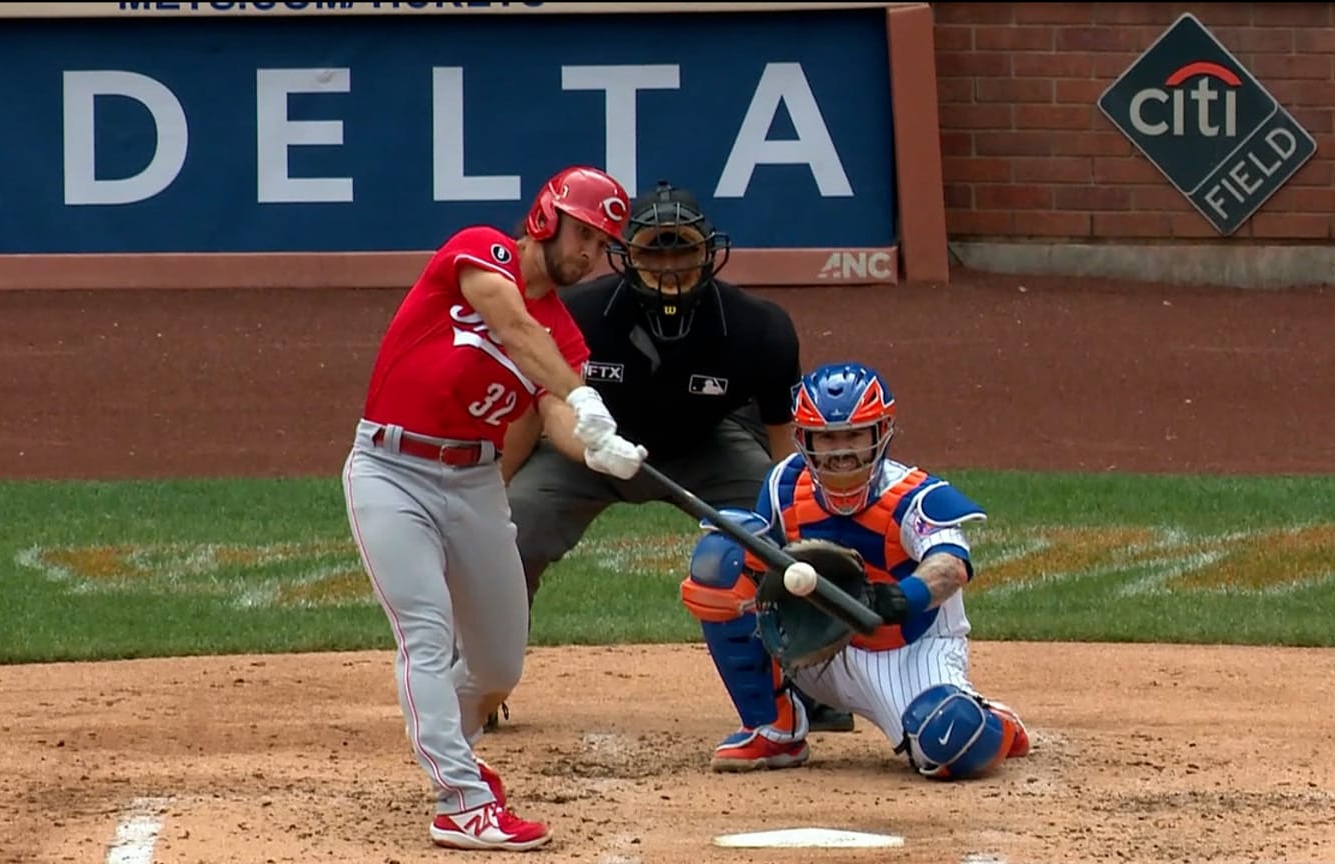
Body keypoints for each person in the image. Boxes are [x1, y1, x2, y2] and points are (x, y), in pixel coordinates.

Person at [340, 165, 649, 852]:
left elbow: (556, 413)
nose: (590, 256)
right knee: (425, 632)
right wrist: (584, 396)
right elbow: (512, 326)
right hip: (391, 472)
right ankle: (461, 799)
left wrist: (601, 447)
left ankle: (455, 748)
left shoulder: (566, 336)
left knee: (497, 666)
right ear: (547, 218)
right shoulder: (480, 251)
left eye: (602, 247)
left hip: (475, 485)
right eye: (585, 237)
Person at [489, 179, 856, 733]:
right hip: (593, 449)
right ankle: (480, 681)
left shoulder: (760, 329)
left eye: (682, 248)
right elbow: (536, 410)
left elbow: (785, 450)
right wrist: (494, 493)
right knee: (514, 529)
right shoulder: (579, 315)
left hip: (707, 446)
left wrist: (793, 522)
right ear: (626, 255)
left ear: (708, 252)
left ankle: (809, 682)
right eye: (652, 251)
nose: (669, 265)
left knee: (778, 540)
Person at [677, 361, 1033, 777]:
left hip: (906, 654)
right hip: (817, 648)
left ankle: (990, 718)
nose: (841, 451)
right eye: (827, 439)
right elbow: (753, 562)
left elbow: (949, 567)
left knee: (952, 743)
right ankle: (773, 728)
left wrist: (899, 598)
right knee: (721, 558)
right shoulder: (784, 484)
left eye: (852, 436)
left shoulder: (915, 496)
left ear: (880, 433)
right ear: (805, 438)